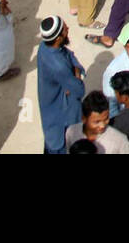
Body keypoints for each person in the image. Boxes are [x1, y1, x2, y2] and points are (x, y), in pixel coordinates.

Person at [36, 16, 85, 154]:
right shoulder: (58, 66)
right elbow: (79, 89)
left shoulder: (44, 47)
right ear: (58, 38)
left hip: (50, 104)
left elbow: (67, 54)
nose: (68, 28)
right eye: (64, 28)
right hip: (61, 113)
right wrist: (76, 72)